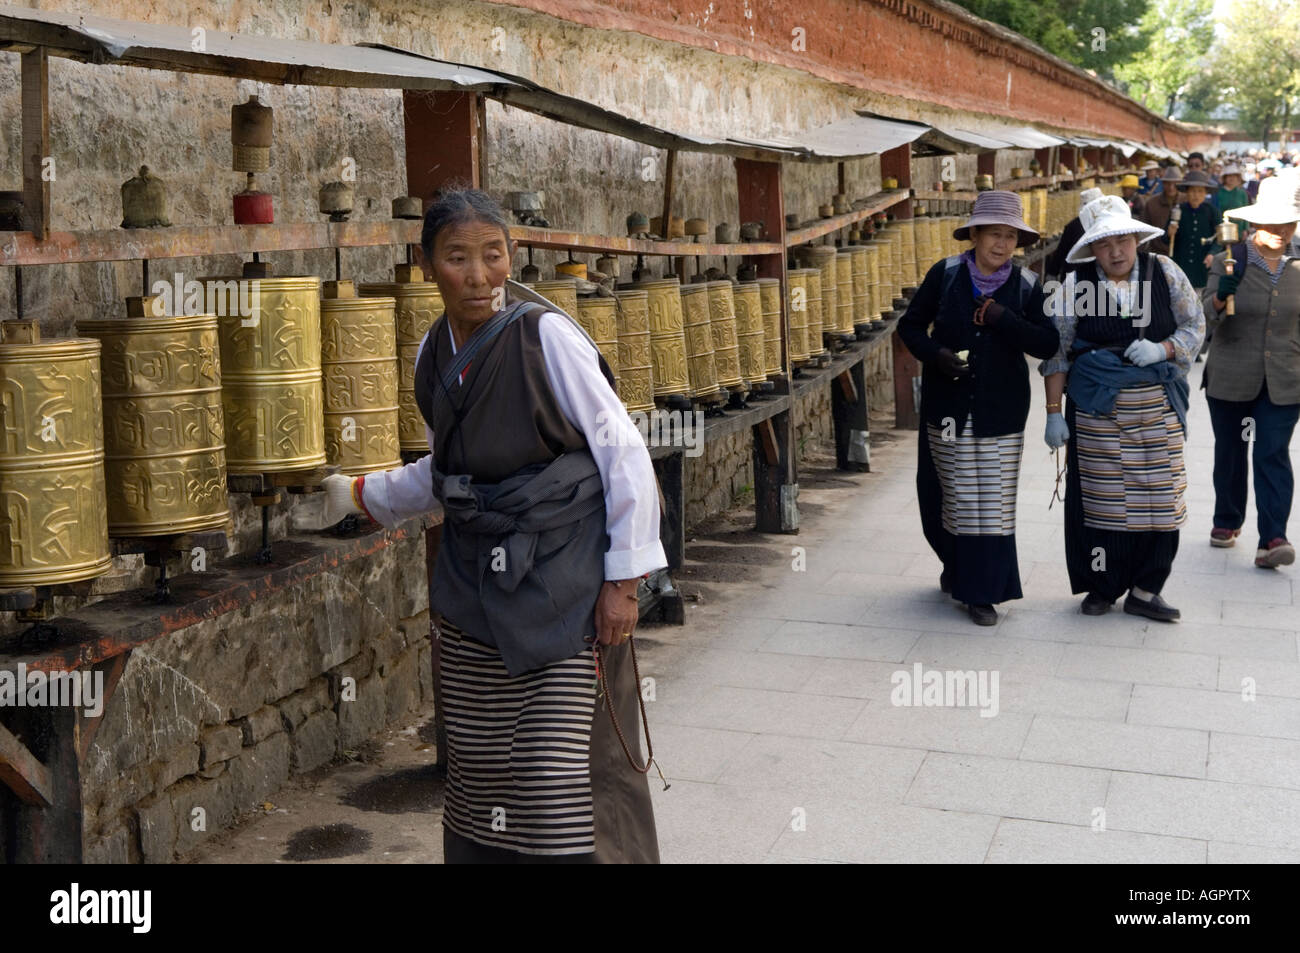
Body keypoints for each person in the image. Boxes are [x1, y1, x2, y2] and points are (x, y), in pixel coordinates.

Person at [321, 186, 665, 863]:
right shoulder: (432, 356)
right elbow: (446, 476)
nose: (478, 276)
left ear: (512, 256)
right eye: (457, 258)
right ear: (427, 266)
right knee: (480, 780)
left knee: (554, 781)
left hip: (561, 585)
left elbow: (622, 452)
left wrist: (624, 581)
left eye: (492, 255)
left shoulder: (547, 338)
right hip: (476, 591)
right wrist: (359, 494)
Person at [1041, 195, 1206, 621]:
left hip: (1157, 407)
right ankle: (1102, 585)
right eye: (1103, 244)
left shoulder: (1165, 272)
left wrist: (1165, 348)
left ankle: (1146, 589)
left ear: (1136, 238)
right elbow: (1056, 352)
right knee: (1103, 505)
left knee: (1161, 502)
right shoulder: (1075, 286)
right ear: (1092, 249)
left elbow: (1195, 325)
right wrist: (1054, 411)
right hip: (1099, 412)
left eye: (1123, 240)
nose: (1115, 251)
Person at [899, 190, 1060, 626]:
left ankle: (983, 592)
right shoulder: (946, 274)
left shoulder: (1027, 286)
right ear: (974, 234)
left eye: (1010, 236)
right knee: (949, 496)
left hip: (1001, 410)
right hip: (947, 408)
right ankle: (956, 567)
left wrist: (1004, 319)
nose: (1002, 244)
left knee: (991, 502)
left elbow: (1049, 342)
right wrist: (936, 355)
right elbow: (910, 326)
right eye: (994, 234)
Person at [1202, 173, 1300, 568]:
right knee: (1231, 452)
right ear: (1255, 222)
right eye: (1272, 222)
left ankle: (1273, 537)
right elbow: (1206, 315)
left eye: (1288, 222)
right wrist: (1221, 296)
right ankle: (1227, 518)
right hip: (1230, 376)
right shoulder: (1232, 259)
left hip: (1285, 381)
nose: (1279, 230)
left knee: (1272, 452)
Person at [1169, 169, 1222, 290]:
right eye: (1192, 191)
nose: (1196, 195)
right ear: (1186, 192)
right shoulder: (1178, 210)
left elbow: (1219, 238)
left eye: (1200, 191)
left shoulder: (1212, 211)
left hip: (1202, 266)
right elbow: (1167, 240)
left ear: (1205, 193)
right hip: (1181, 265)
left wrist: (1212, 253)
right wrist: (1169, 233)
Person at [1046, 187, 1102, 282]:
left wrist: (1052, 272)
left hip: (1074, 277)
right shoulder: (1104, 225)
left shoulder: (1073, 225)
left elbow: (1062, 251)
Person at [1140, 166, 1182, 256]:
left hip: (1181, 254)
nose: (1171, 187)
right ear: (1163, 183)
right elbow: (1144, 229)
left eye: (1175, 184)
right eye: (1167, 183)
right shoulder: (1152, 203)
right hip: (1158, 252)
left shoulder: (1185, 201)